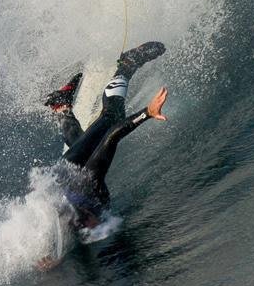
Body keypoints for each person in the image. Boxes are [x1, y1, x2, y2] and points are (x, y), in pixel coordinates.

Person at [39, 41, 169, 240]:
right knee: (81, 142)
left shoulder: (92, 182)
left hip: (69, 170)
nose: (93, 228)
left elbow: (113, 136)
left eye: (88, 224)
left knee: (112, 117)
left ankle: (126, 65)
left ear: (87, 215)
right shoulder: (77, 219)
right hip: (67, 184)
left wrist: (147, 113)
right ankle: (62, 105)